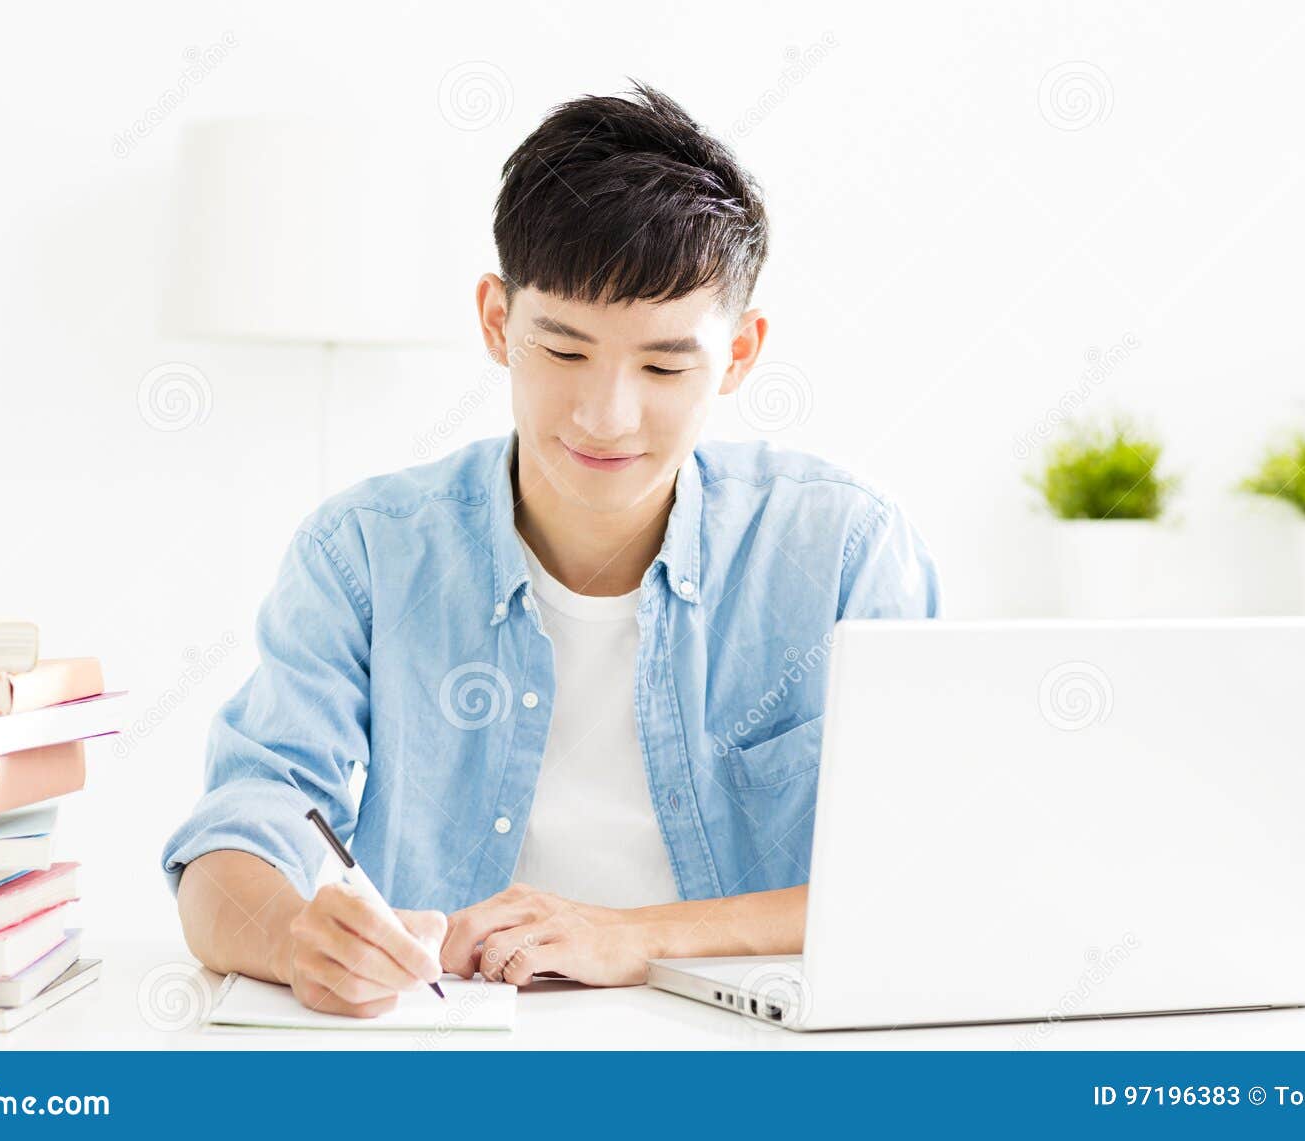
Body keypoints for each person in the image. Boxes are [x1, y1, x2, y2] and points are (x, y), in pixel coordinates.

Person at [161, 79, 941, 1018]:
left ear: (739, 355)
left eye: (663, 364)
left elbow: (925, 877)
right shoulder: (365, 554)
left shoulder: (844, 550)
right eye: (565, 351)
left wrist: (635, 934)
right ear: (498, 322)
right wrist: (296, 937)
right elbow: (232, 839)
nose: (606, 415)